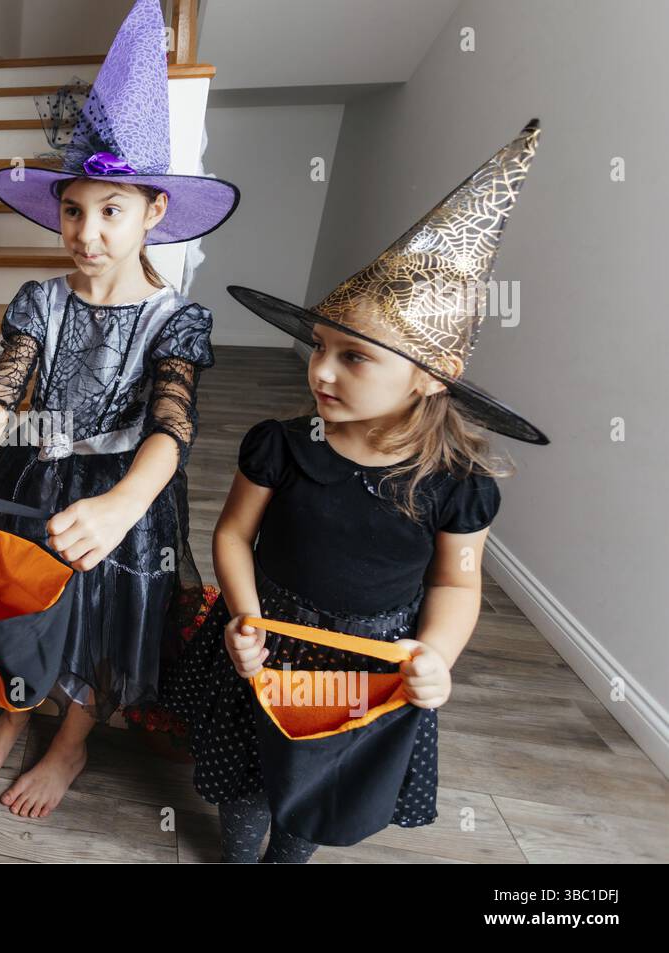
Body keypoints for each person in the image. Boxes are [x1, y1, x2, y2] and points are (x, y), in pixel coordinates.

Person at [163, 120, 548, 862]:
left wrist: (434, 653)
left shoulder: (456, 488)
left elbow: (457, 583)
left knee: (315, 777)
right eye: (320, 347)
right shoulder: (282, 446)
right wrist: (246, 618)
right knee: (245, 776)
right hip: (268, 638)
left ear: (429, 377)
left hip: (365, 660)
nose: (322, 372)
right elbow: (234, 534)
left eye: (354, 357)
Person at [0, 0, 239, 819]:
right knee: (28, 599)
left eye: (111, 210)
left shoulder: (178, 320)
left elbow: (172, 427)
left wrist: (124, 505)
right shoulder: (39, 300)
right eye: (72, 209)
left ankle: (72, 739)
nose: (86, 232)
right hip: (40, 470)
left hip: (122, 489)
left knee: (99, 615)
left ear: (153, 213)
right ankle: (20, 711)